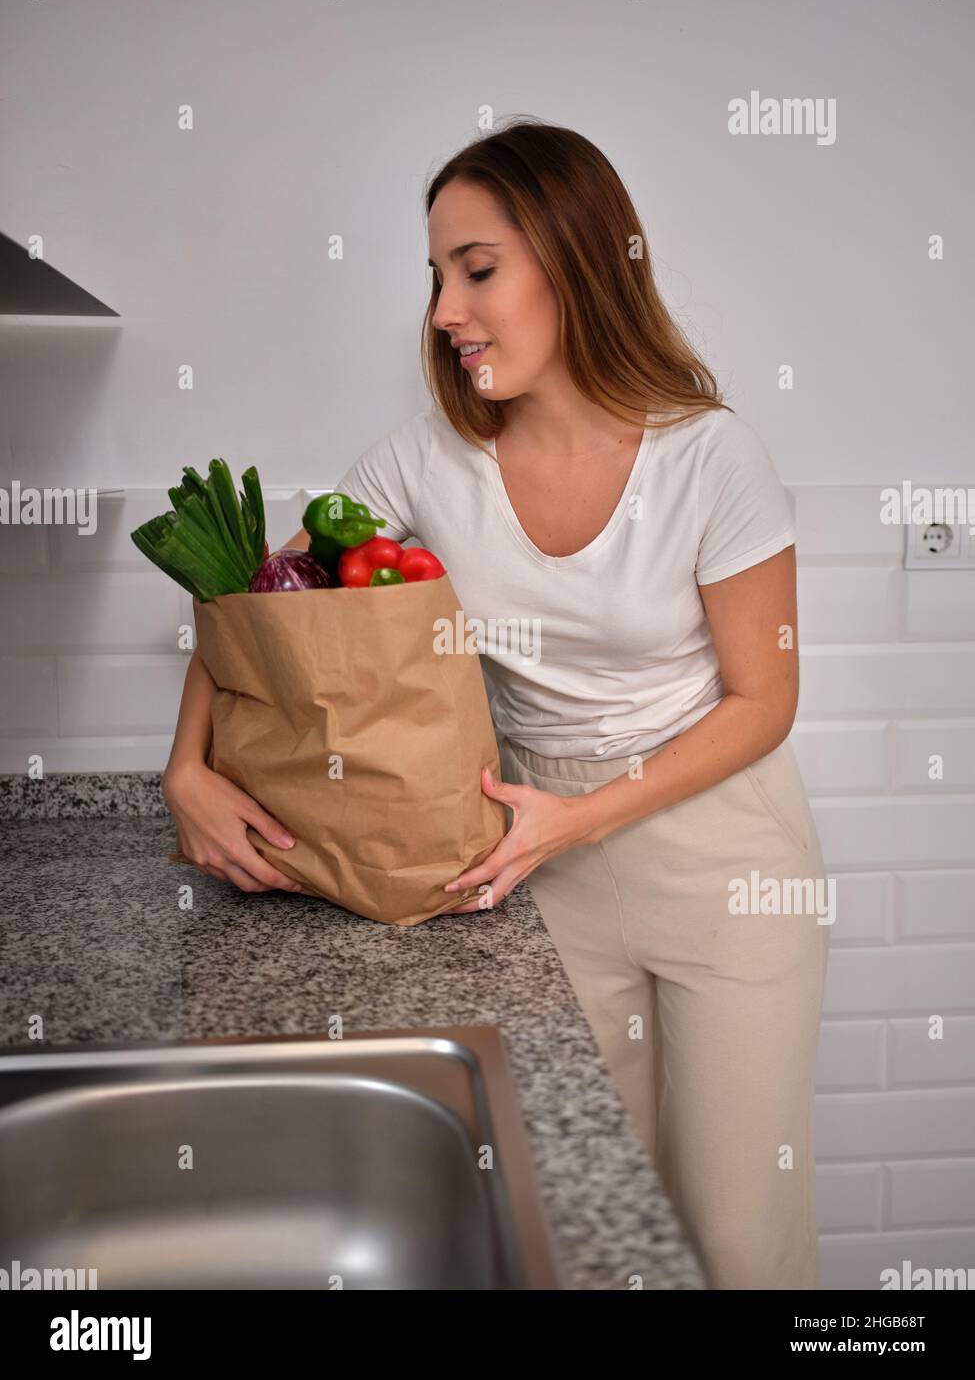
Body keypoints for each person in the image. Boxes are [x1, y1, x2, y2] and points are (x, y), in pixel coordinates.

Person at [163, 117, 830, 1291]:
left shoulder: (710, 457)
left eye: (477, 269)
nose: (442, 310)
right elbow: (264, 601)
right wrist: (189, 769)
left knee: (738, 1240)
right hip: (536, 862)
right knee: (581, 1219)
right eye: (436, 277)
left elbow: (763, 700)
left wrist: (584, 817)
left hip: (724, 856)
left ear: (575, 260)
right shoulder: (427, 460)